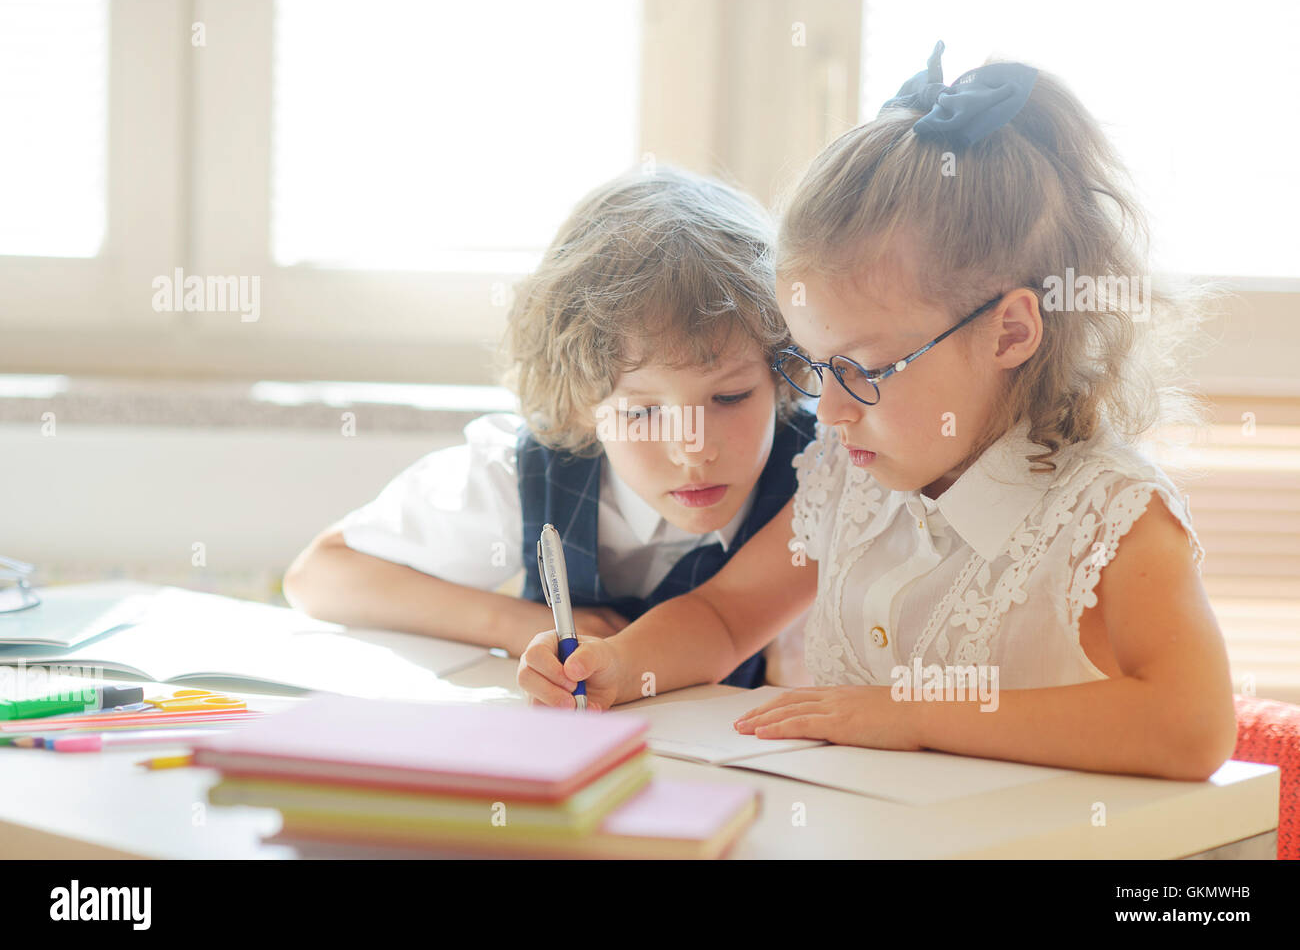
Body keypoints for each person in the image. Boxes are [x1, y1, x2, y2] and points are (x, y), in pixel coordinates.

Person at [517, 45, 1237, 780]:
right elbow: (723, 617)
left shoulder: (1111, 515)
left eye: (862, 370)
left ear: (1010, 332)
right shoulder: (849, 479)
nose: (827, 409)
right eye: (814, 366)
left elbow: (1192, 725)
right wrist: (617, 662)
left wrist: (912, 715)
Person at [285, 166, 814, 686]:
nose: (692, 452)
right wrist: (514, 624)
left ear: (783, 371)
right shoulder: (521, 475)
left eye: (730, 396)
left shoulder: (823, 473)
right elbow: (319, 578)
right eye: (642, 413)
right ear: (583, 400)